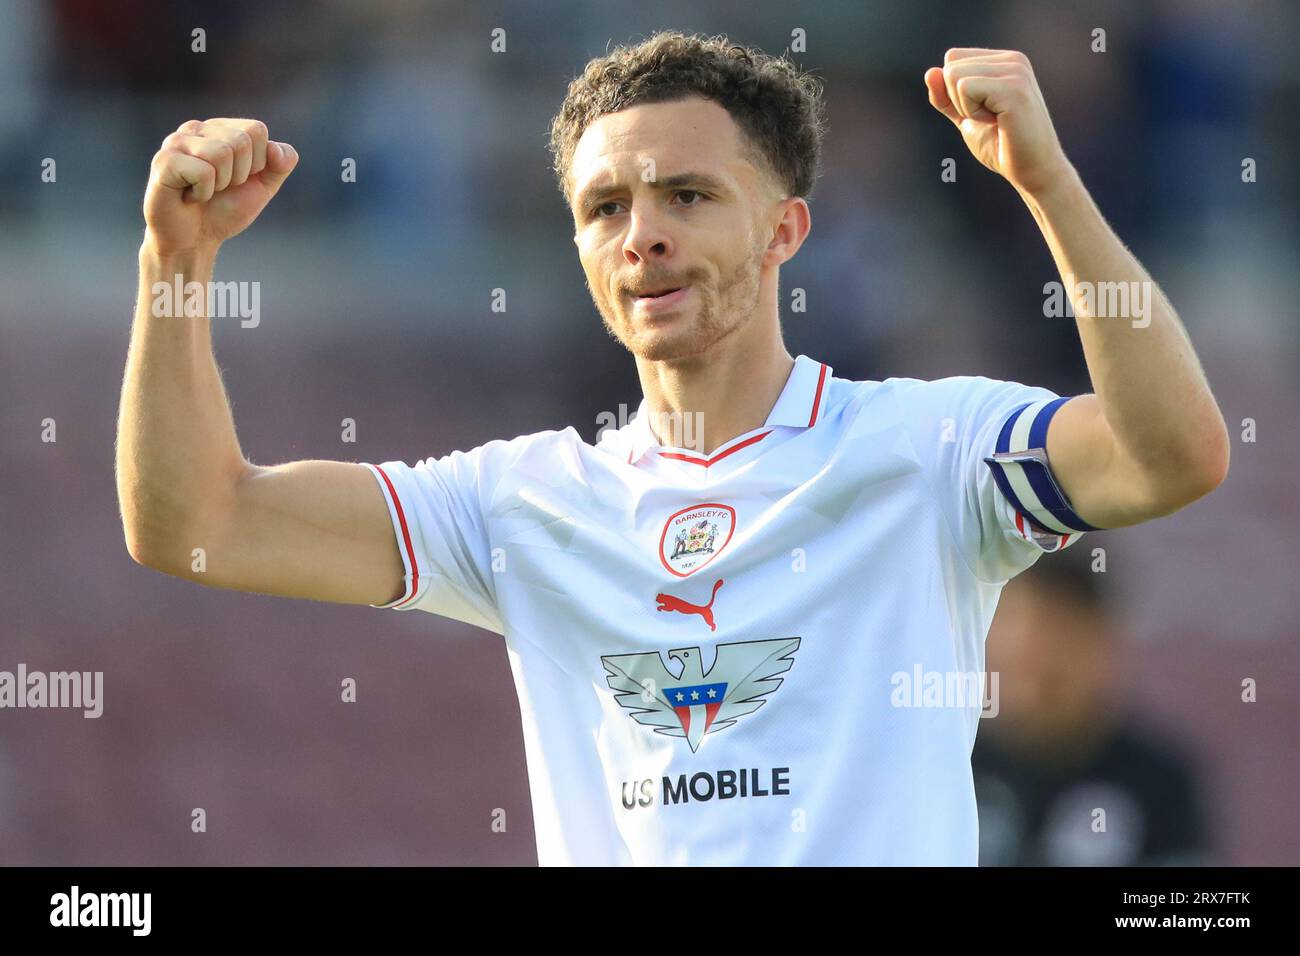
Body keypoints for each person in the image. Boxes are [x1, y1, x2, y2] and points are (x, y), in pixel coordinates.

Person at [116, 31, 1229, 865]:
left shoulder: (929, 449)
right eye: (605, 206)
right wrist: (176, 262)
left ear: (785, 228)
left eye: (687, 195)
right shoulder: (520, 502)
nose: (641, 233)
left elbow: (1171, 454)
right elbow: (197, 523)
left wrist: (1048, 183)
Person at [973, 548, 1211, 866]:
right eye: (1014, 630)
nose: (1032, 659)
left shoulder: (1157, 780)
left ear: (1100, 641)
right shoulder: (956, 765)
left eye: (1056, 638)